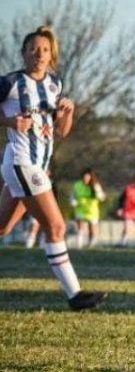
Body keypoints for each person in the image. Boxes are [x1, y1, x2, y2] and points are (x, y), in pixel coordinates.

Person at [0, 25, 106, 310]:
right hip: (21, 163)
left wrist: (67, 114)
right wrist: (9, 122)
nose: (39, 54)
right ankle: (75, 295)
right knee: (56, 226)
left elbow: (62, 131)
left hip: (36, 166)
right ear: (23, 53)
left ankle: (75, 295)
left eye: (44, 49)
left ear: (51, 55)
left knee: (2, 227)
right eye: (33, 49)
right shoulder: (10, 82)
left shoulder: (54, 84)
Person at [70, 167, 105, 248]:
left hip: (92, 210)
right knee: (80, 226)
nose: (86, 178)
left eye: (88, 176)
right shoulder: (77, 185)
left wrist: (100, 196)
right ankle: (79, 245)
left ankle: (91, 244)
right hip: (80, 208)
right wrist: (73, 201)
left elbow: (102, 196)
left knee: (92, 228)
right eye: (85, 176)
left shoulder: (95, 185)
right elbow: (73, 195)